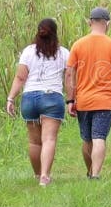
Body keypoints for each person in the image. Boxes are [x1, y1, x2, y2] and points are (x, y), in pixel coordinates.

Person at [64, 7, 111, 180]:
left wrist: (70, 100)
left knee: (87, 139)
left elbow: (69, 73)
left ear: (89, 22)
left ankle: (90, 171)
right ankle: (95, 174)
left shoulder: (78, 45)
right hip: (104, 101)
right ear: (107, 23)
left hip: (83, 101)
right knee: (99, 137)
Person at [5, 18, 70, 187]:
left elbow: (20, 77)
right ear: (56, 33)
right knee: (48, 139)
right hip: (52, 97)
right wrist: (71, 99)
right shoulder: (63, 53)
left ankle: (37, 174)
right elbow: (69, 79)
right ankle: (45, 177)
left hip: (30, 98)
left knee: (34, 141)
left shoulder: (28, 51)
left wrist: (10, 98)